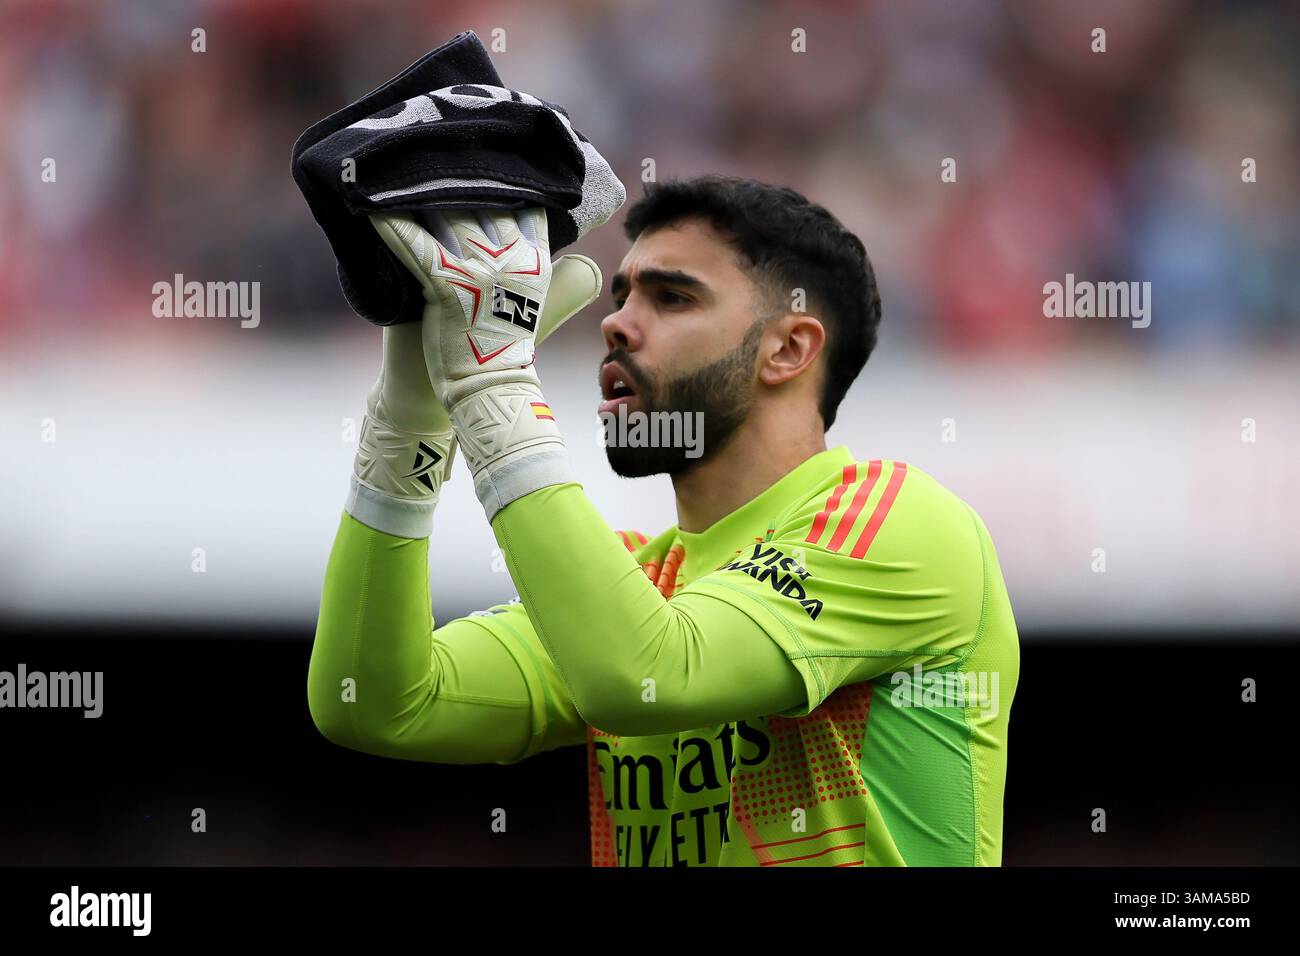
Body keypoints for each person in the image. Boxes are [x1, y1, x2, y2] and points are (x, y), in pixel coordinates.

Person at [307, 175, 1019, 867]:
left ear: (789, 349)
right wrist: (412, 419)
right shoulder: (638, 583)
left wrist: (492, 386)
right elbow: (375, 705)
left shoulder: (898, 522)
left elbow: (646, 672)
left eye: (673, 297)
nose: (616, 323)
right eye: (620, 297)